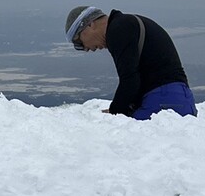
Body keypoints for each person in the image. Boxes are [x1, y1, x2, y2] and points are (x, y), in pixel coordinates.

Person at [65, 6, 197, 118]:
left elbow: (130, 79)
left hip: (163, 101)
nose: (87, 49)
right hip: (178, 100)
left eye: (79, 41)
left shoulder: (118, 29)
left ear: (89, 25)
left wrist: (115, 112)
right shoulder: (125, 24)